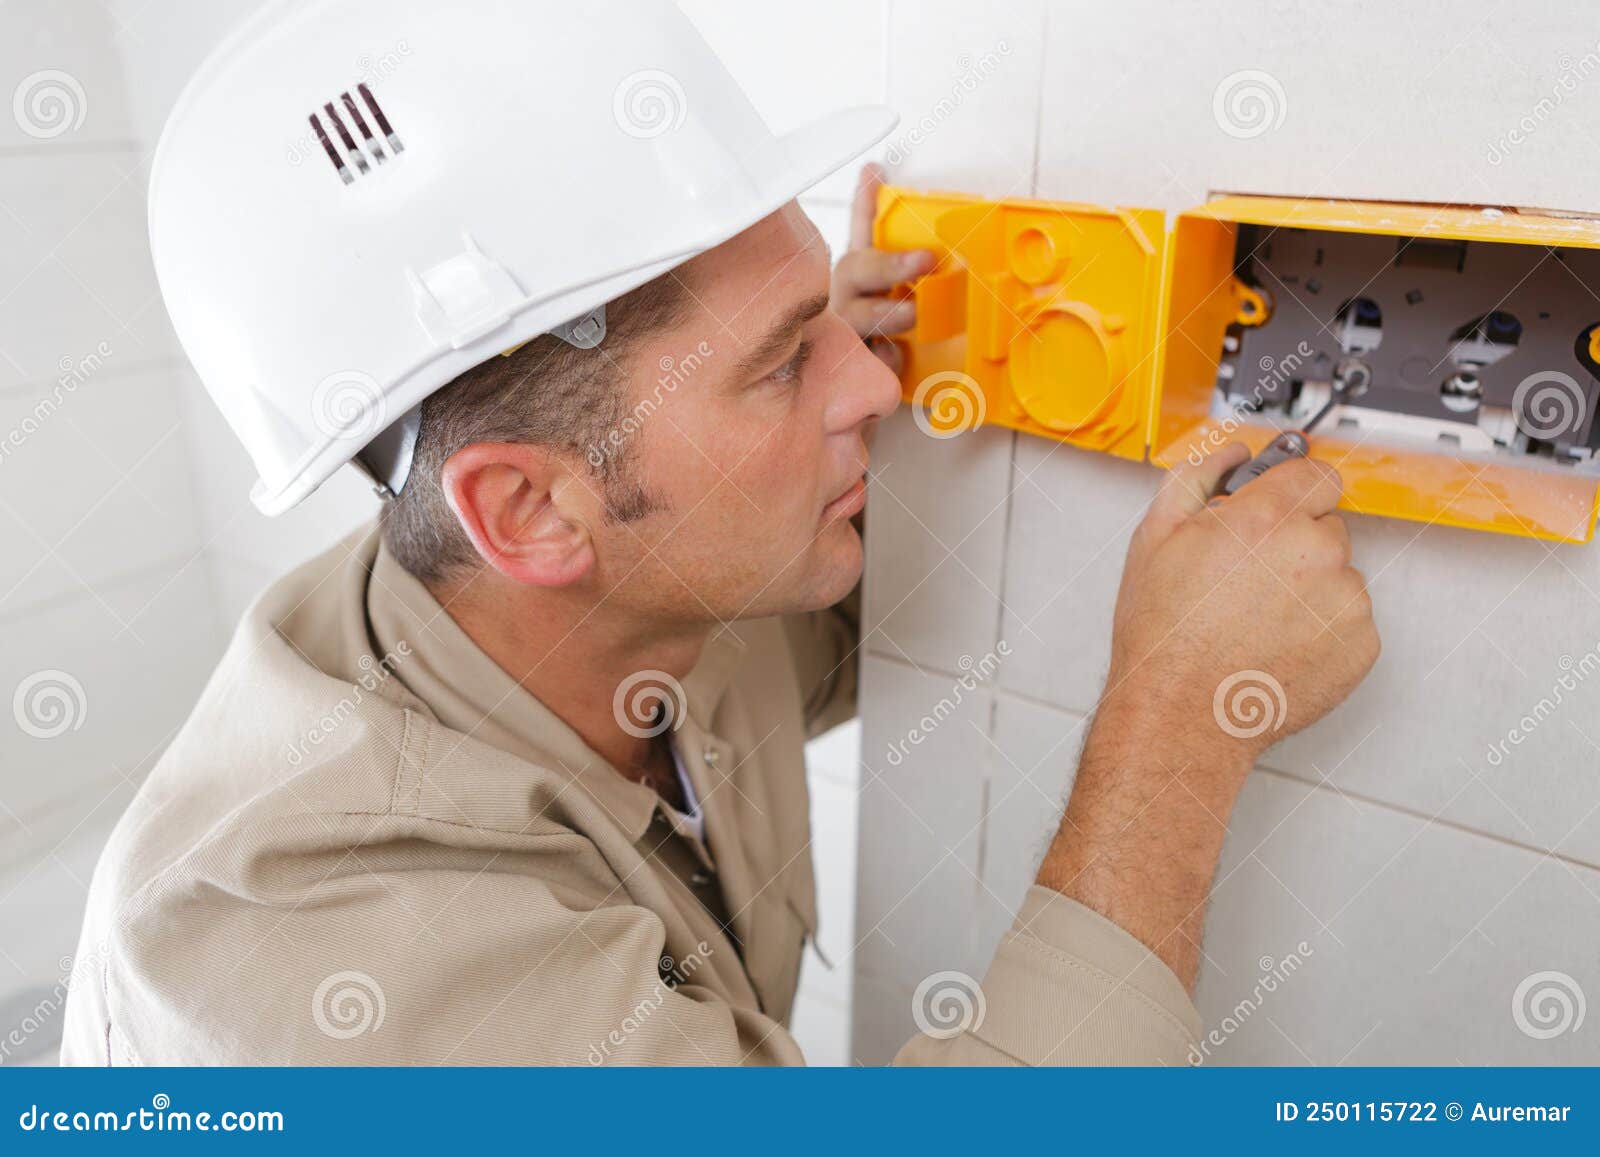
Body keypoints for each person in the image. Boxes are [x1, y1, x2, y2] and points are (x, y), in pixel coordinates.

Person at [62, 0, 1378, 1066]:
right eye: (780, 363)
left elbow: (881, 626)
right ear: (530, 509)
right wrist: (1183, 724)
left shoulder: (623, 597)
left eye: (829, 313)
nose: (874, 386)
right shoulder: (319, 955)